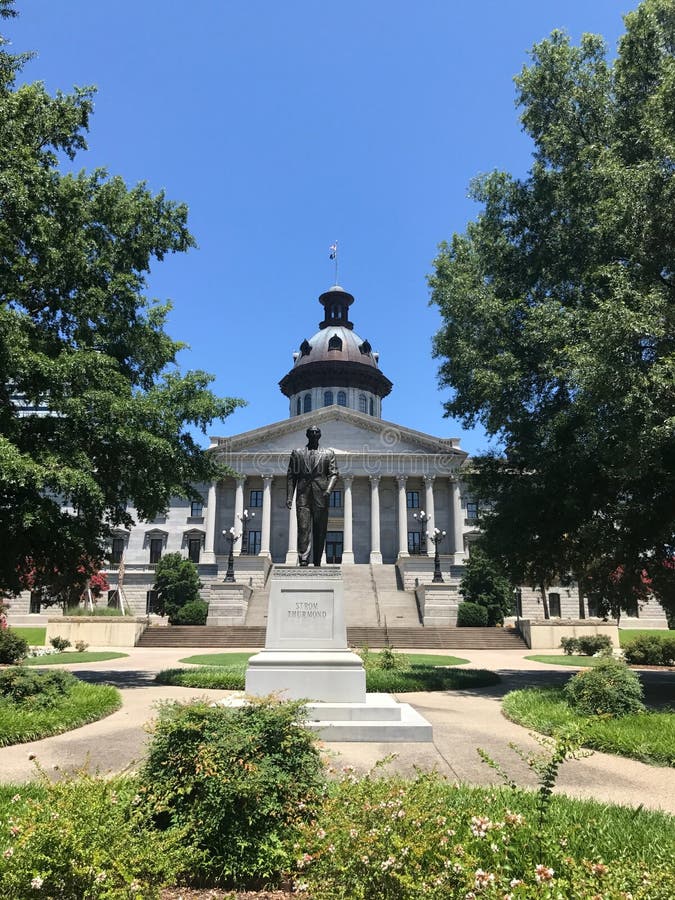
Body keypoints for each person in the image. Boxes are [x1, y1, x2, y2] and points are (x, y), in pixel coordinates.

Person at [286, 425, 339, 566]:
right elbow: (291, 477)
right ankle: (303, 559)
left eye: (316, 433)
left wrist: (328, 490)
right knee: (303, 527)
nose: (314, 435)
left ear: (320, 435)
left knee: (320, 530)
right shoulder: (297, 453)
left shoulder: (329, 453)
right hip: (303, 495)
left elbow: (334, 474)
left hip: (321, 495)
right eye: (311, 433)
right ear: (307, 435)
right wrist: (289, 496)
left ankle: (317, 560)